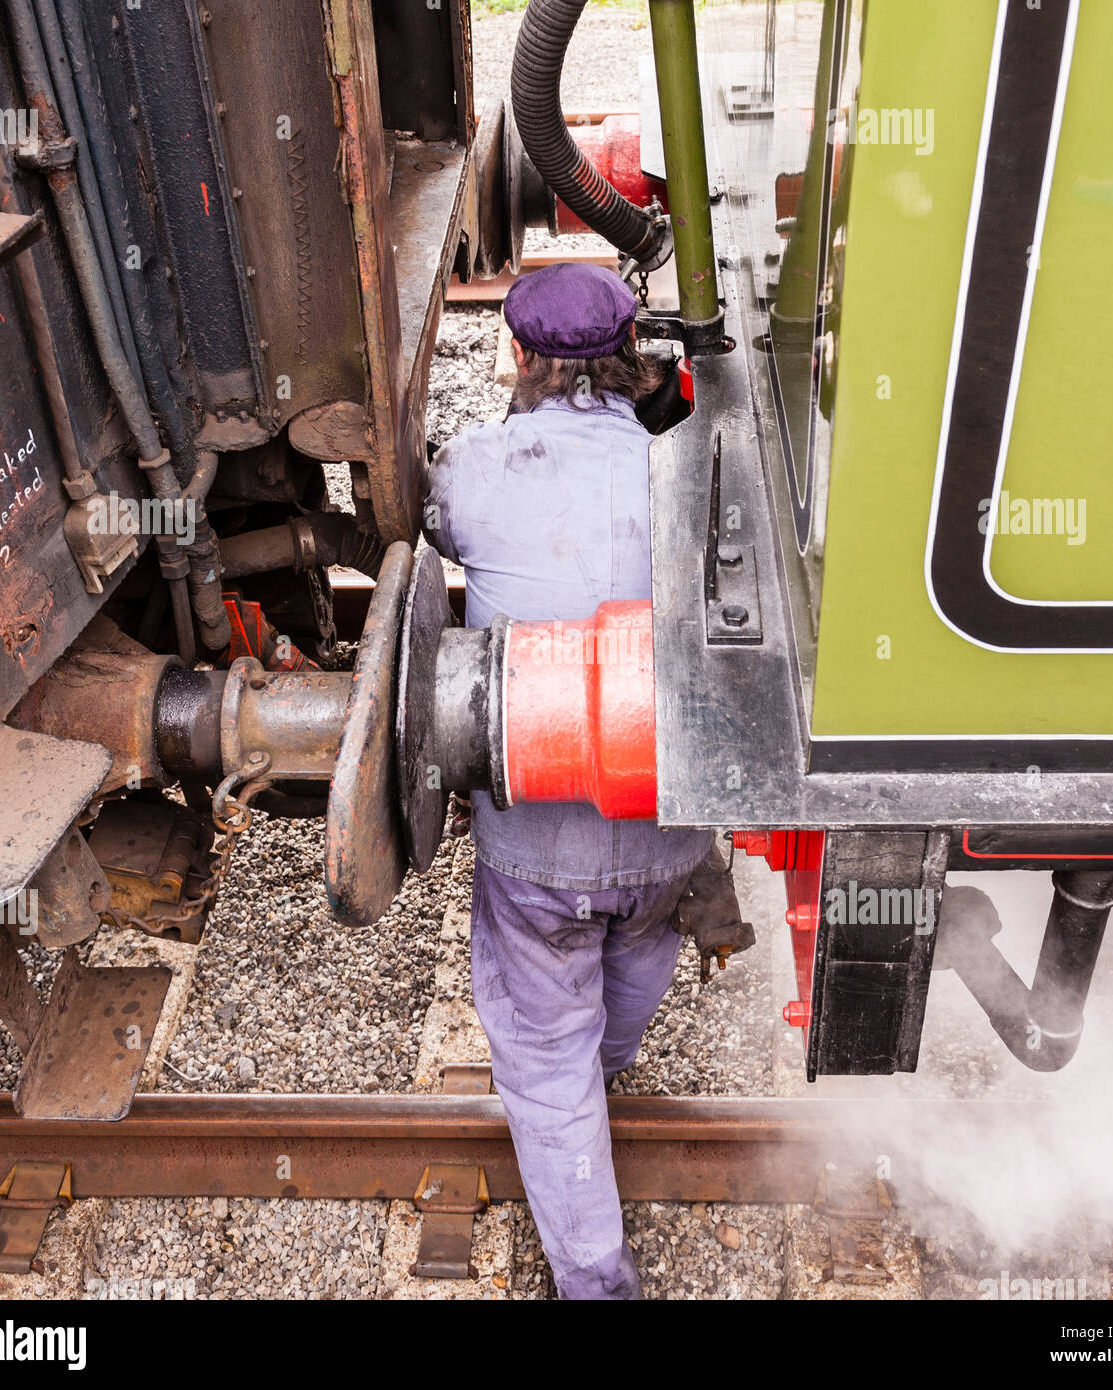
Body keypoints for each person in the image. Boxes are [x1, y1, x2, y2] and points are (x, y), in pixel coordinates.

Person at [424, 263, 714, 1299]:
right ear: (630, 357)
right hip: (667, 824)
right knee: (641, 939)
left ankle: (597, 1280)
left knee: (544, 1055)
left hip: (534, 844)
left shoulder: (469, 468)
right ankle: (615, 1058)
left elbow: (436, 542)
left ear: (518, 356)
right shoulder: (687, 470)